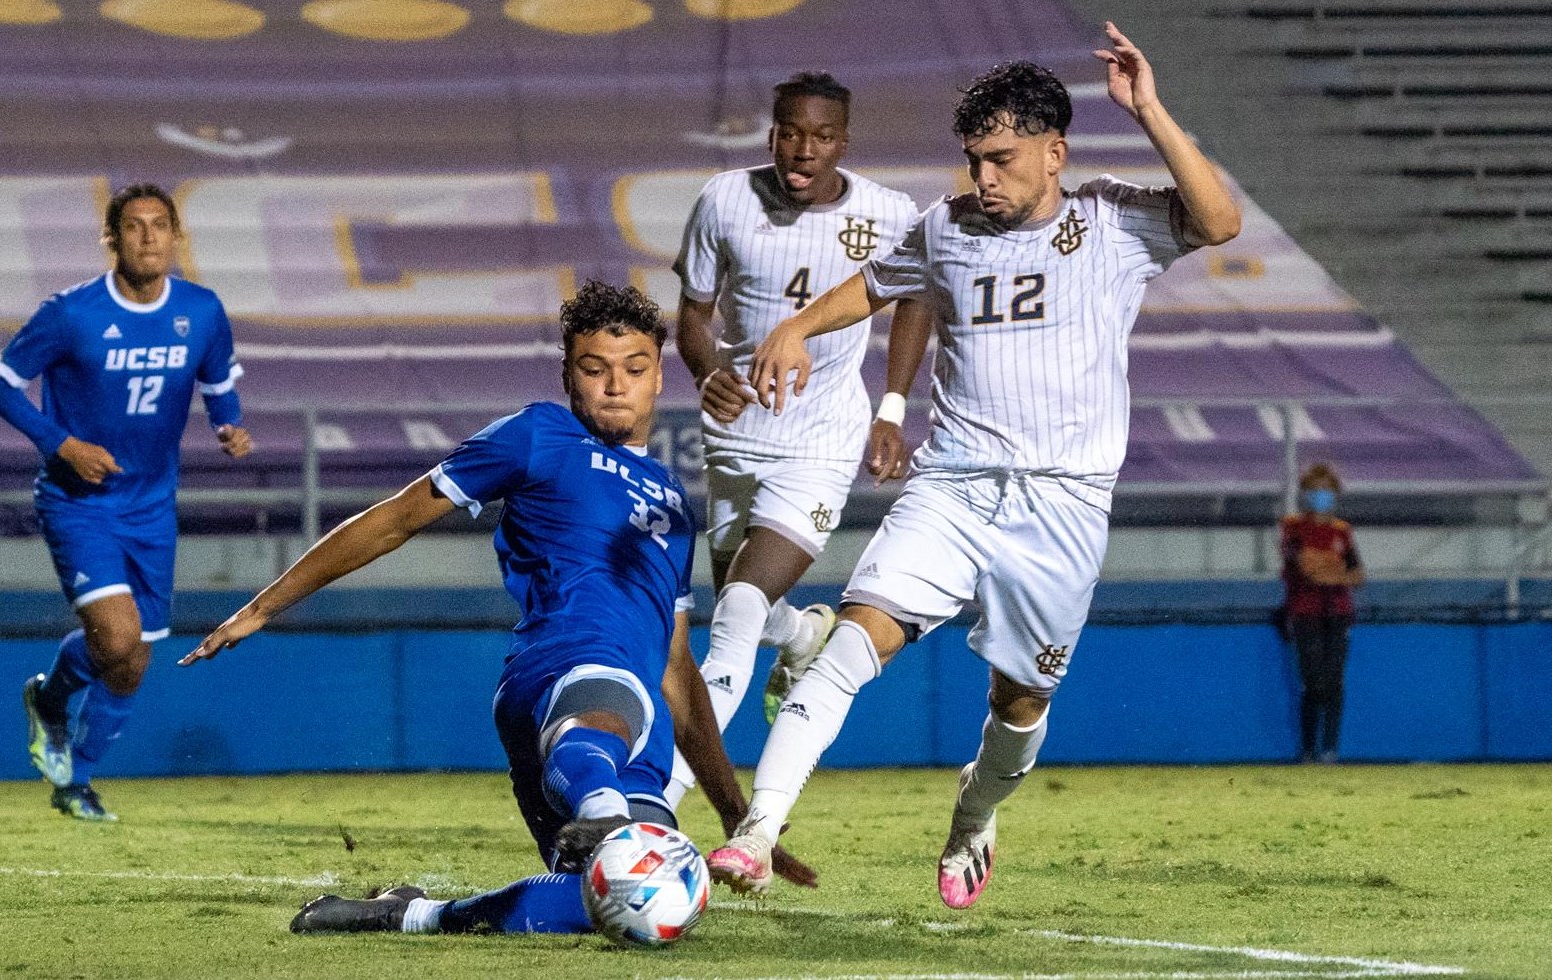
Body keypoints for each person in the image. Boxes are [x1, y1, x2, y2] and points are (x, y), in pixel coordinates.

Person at [708, 22, 1242, 907]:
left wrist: (1147, 109)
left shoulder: (1111, 221)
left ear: (1053, 153)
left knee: (1019, 700)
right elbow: (876, 284)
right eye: (973, 159)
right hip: (952, 485)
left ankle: (972, 813)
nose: (982, 178)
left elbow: (1218, 222)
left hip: (1062, 503)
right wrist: (796, 327)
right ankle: (758, 832)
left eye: (999, 158)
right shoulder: (946, 226)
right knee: (849, 642)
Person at [181, 281, 814, 937]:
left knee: (639, 899)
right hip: (560, 675)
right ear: (569, 373)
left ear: (659, 374)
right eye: (594, 369)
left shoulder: (673, 501)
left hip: (642, 727)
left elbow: (677, 667)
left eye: (634, 369)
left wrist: (736, 813)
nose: (615, 385)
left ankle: (411, 915)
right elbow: (397, 518)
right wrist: (262, 605)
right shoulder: (537, 433)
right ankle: (599, 802)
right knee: (610, 720)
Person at [668, 71, 933, 807]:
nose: (802, 149)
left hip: (821, 441)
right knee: (744, 607)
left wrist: (890, 407)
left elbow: (912, 301)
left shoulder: (886, 213)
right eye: (790, 132)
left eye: (820, 136)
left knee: (735, 615)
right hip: (734, 439)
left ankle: (663, 799)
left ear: (842, 143)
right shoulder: (723, 198)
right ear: (772, 132)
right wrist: (703, 373)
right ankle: (799, 636)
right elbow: (692, 313)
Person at [0, 183, 253, 821]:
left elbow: (218, 383)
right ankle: (51, 702)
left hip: (152, 507)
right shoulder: (72, 313)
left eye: (160, 225)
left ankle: (76, 779)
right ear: (111, 238)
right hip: (79, 502)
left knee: (131, 659)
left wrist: (228, 425)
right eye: (134, 226)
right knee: (116, 633)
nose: (149, 237)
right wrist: (62, 444)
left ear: (176, 235)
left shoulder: (202, 310)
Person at [1280, 462, 1364, 764]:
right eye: (1316, 491)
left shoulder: (1342, 531)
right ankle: (1307, 749)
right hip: (1305, 612)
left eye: (1327, 491)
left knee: (1335, 681)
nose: (1321, 497)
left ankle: (1329, 749)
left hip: (1338, 612)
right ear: (1305, 494)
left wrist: (1328, 570)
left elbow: (1358, 574)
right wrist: (1334, 568)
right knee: (1313, 681)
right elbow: (1307, 568)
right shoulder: (1293, 528)